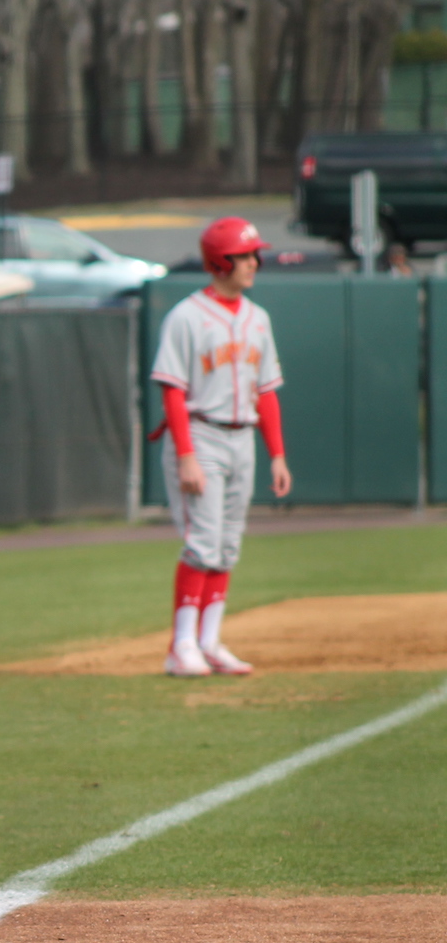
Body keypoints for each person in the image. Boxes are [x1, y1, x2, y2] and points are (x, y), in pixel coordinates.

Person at [151, 217, 292, 676]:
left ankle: (210, 642)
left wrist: (277, 454)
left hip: (242, 438)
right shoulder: (186, 317)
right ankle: (182, 645)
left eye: (254, 255)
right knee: (202, 543)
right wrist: (187, 454)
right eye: (244, 255)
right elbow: (172, 390)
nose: (253, 263)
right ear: (219, 261)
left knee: (228, 545)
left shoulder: (259, 318)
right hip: (202, 435)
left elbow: (266, 391)